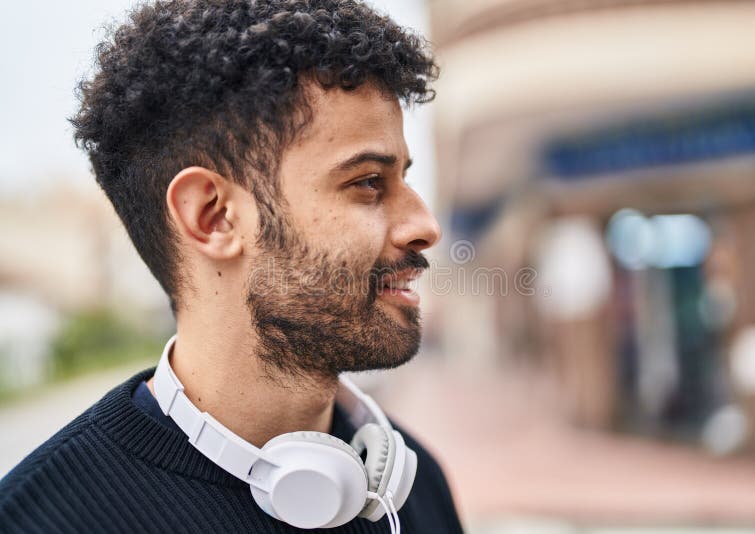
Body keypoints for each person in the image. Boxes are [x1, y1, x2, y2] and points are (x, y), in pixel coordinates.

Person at [0, 1, 462, 532]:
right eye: (367, 183)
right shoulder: (37, 521)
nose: (426, 225)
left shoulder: (412, 488)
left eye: (404, 177)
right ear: (213, 217)